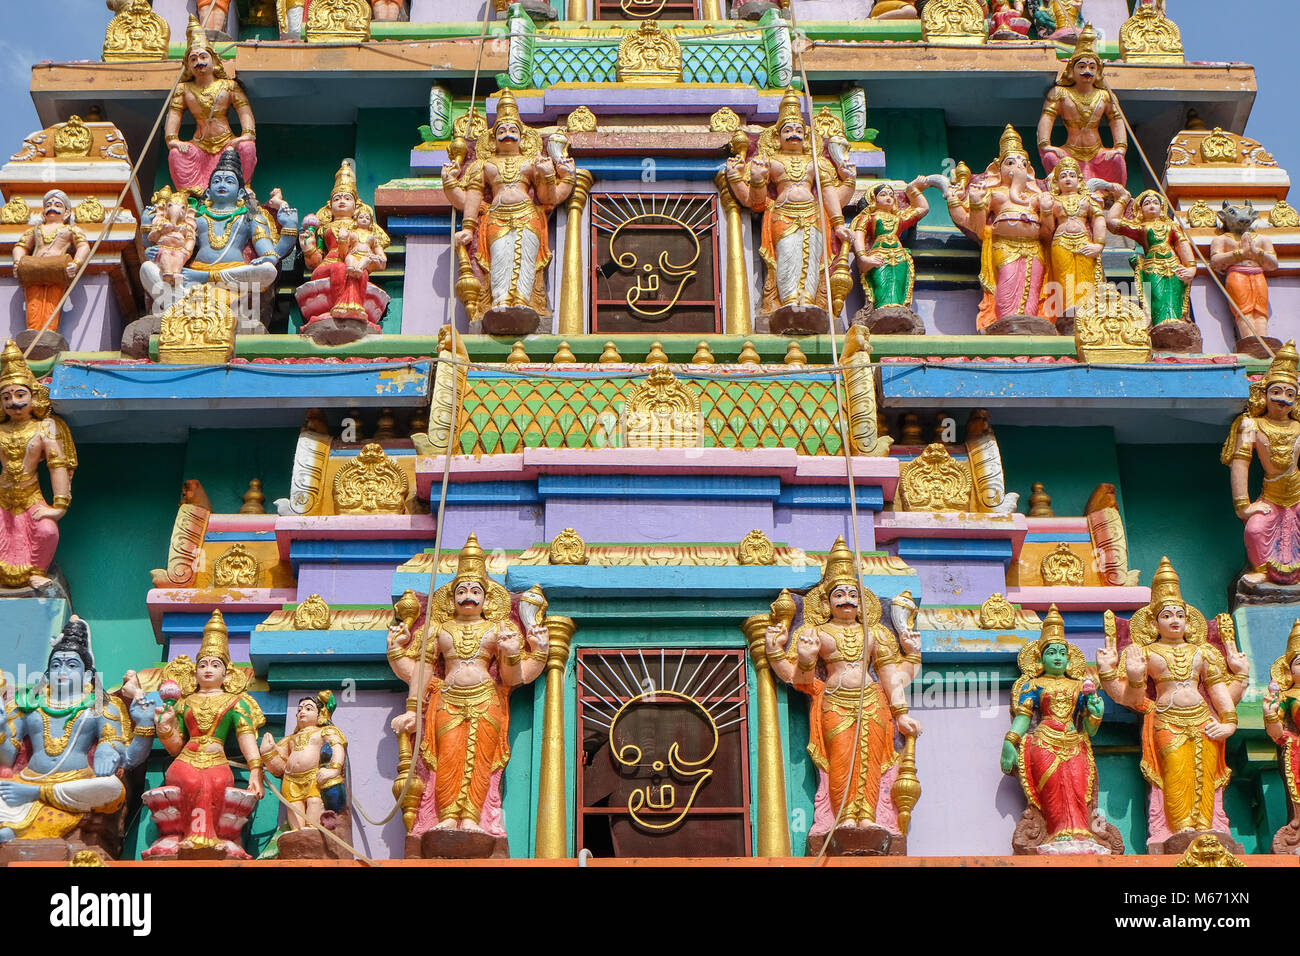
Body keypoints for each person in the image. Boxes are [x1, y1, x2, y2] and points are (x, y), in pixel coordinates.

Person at [386, 533, 549, 832]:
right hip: (447, 699)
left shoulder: (500, 627)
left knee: (479, 762)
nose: (468, 596)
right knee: (448, 758)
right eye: (461, 591)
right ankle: (446, 817)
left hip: (486, 699)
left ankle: (473, 820)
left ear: (487, 599)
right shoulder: (438, 629)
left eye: (475, 591)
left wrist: (523, 651)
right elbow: (419, 670)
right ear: (451, 598)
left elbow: (515, 677)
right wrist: (397, 652)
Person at [765, 537, 921, 835]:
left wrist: (901, 713)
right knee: (841, 759)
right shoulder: (815, 632)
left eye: (853, 594)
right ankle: (844, 817)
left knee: (871, 760)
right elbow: (797, 679)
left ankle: (868, 816)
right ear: (826, 602)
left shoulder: (875, 633)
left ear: (862, 603)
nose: (846, 599)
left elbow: (890, 675)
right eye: (838, 594)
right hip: (835, 703)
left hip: (873, 703)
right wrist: (800, 657)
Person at [1095, 558, 1250, 840]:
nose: (1174, 620)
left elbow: (1217, 692)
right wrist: (1131, 675)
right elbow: (1131, 698)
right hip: (1168, 722)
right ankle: (1179, 833)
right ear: (1154, 623)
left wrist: (1229, 722)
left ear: (1188, 621)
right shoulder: (1145, 652)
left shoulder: (1203, 652)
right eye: (1166, 615)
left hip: (1204, 720)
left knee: (1204, 777)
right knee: (1175, 776)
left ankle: (1208, 831)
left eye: (1180, 615)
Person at [0, 618, 154, 841]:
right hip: (27, 779)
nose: (62, 670)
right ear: (47, 673)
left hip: (76, 783)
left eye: (71, 665)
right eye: (56, 665)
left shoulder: (100, 705)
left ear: (87, 674)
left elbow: (126, 757)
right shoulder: (26, 705)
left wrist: (111, 746)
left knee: (111, 787)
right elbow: (6, 759)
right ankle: (23, 809)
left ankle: (32, 801)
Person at [725, 88, 855, 328]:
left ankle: (808, 300)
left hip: (813, 215)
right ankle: (789, 300)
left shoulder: (816, 162)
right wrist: (755, 178)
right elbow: (754, 201)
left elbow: (828, 194)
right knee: (787, 256)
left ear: (806, 137)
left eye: (798, 130)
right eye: (787, 130)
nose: (793, 134)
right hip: (782, 216)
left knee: (812, 257)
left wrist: (838, 222)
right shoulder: (771, 160)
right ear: (777, 137)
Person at [442, 90, 573, 326]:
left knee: (525, 257)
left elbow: (547, 198)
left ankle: (523, 300)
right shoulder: (484, 164)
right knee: (500, 257)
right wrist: (468, 227)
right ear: (492, 140)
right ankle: (500, 302)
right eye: (501, 131)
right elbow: (470, 198)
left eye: (513, 131)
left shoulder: (531, 162)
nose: (507, 135)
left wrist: (549, 175)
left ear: (523, 138)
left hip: (527, 215)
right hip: (496, 217)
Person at [142, 610, 266, 858]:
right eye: (203, 665)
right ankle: (186, 836)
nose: (208, 669)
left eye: (215, 665)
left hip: (217, 761)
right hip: (186, 760)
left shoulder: (234, 702)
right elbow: (175, 747)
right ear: (194, 672)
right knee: (190, 781)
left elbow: (245, 736)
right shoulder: (185, 702)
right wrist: (165, 727)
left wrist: (255, 769)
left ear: (226, 673)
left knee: (218, 783)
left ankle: (211, 837)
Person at [1001, 606, 1113, 852]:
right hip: (1044, 741)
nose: (1058, 657)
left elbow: (1091, 728)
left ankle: (1082, 832)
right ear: (1040, 660)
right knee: (1053, 790)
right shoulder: (1033, 684)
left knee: (1078, 788)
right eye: (1051, 652)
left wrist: (1095, 707)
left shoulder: (1078, 685)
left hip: (1074, 741)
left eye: (1062, 652)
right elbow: (1023, 716)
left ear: (1070, 659)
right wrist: (1010, 742)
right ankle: (1056, 831)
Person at [949, 125, 1055, 329]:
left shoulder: (1035, 198)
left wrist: (1048, 211)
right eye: (1011, 163)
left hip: (1035, 250)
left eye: (1023, 164)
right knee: (1006, 287)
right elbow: (974, 225)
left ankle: (1031, 329)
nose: (1018, 167)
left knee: (1033, 290)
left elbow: (1047, 233)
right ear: (997, 169)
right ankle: (1005, 327)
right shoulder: (996, 194)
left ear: (1029, 171)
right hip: (1004, 247)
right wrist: (974, 203)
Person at [1221, 341, 1300, 585]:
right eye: (1276, 392)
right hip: (1271, 498)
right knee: (1255, 529)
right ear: (1263, 394)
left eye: (1290, 394)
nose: (1282, 400)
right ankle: (1263, 569)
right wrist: (1243, 506)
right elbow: (1240, 465)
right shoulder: (1251, 425)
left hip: (1296, 495)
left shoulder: (1298, 427)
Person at [0, 340, 75, 591]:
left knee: (47, 530)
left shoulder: (45, 427)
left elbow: (57, 465)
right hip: (3, 498)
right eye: (6, 397)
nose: (14, 403)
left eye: (20, 395)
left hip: (31, 496)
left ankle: (36, 571)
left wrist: (59, 506)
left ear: (33, 396)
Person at [165, 17, 257, 191]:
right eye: (192, 59)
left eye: (202, 57)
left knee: (247, 147)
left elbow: (245, 113)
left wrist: (247, 134)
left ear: (214, 61)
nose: (198, 62)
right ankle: (189, 194)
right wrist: (173, 140)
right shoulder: (183, 89)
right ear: (187, 66)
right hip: (198, 146)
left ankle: (242, 189)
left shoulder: (229, 86)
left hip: (227, 144)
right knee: (175, 154)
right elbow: (174, 116)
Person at [300, 160, 390, 328]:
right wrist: (308, 248)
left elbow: (372, 256)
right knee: (339, 268)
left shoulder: (362, 229)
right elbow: (315, 262)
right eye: (337, 198)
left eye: (347, 198)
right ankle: (341, 305)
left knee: (361, 273)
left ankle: (353, 307)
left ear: (356, 206)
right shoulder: (323, 228)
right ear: (330, 205)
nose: (342, 201)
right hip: (329, 265)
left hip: (353, 263)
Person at [1037, 25, 1127, 186]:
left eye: (1092, 67)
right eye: (1082, 66)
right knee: (1050, 156)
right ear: (1072, 70)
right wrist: (1046, 144)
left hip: (1098, 152)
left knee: (1117, 159)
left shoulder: (1105, 95)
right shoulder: (1059, 93)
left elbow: (1117, 120)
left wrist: (1120, 147)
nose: (1088, 71)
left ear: (1098, 71)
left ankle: (1109, 196)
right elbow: (1047, 118)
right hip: (1069, 152)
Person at [1105, 188, 1195, 326]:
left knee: (1174, 297)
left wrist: (1191, 268)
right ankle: (1161, 327)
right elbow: (1112, 222)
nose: (1152, 205)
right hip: (1152, 267)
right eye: (1147, 203)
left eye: (1155, 203)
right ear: (1140, 210)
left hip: (1174, 265)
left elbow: (1182, 244)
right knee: (1157, 298)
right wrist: (1123, 198)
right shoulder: (1141, 227)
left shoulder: (1171, 226)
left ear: (1162, 208)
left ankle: (1176, 325)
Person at [260, 691, 347, 831]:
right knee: (294, 808)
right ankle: (297, 834)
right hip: (291, 780)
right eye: (299, 709)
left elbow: (337, 747)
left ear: (319, 714)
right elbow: (279, 765)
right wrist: (268, 751)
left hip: (314, 777)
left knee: (314, 802)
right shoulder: (290, 739)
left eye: (308, 708)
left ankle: (312, 830)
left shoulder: (324, 732)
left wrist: (334, 769)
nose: (302, 712)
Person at [10, 190, 90, 334]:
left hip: (56, 269)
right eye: (48, 205)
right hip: (34, 269)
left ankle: (49, 331)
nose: (52, 207)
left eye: (58, 205)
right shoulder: (36, 230)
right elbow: (21, 246)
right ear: (43, 213)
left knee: (52, 301)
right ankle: (33, 330)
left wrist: (77, 263)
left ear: (66, 213)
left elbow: (83, 245)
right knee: (33, 301)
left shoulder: (69, 230)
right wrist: (17, 262)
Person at [850, 179, 933, 313]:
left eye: (890, 195)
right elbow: (858, 235)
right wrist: (863, 257)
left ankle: (897, 311)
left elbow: (923, 208)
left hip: (899, 256)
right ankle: (880, 311)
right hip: (879, 255)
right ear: (874, 199)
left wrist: (913, 190)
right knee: (881, 285)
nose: (888, 198)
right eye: (883, 195)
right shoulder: (868, 217)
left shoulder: (898, 219)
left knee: (898, 284)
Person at [1044, 158, 1104, 316]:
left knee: (1086, 277)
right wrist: (1045, 210)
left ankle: (1087, 314)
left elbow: (1098, 219)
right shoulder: (1053, 201)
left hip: (1084, 242)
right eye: (1063, 176)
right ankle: (1067, 316)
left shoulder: (1088, 199)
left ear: (1079, 180)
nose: (1068, 179)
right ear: (1057, 182)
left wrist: (1099, 244)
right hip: (1060, 242)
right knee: (1064, 279)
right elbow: (1048, 228)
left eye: (1072, 175)